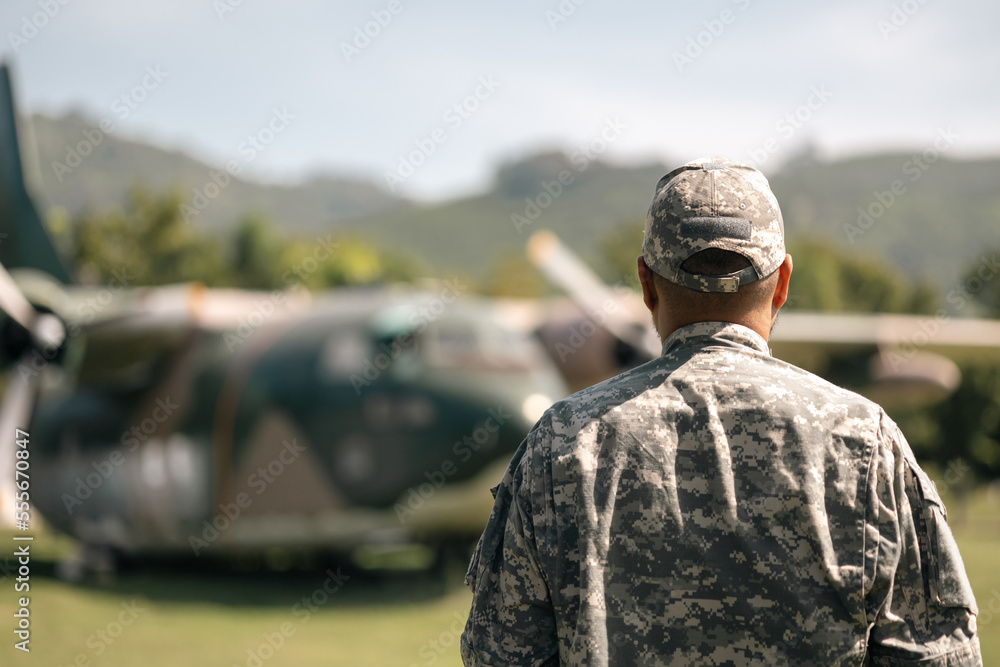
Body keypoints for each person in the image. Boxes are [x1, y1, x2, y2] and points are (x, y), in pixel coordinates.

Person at [460, 157, 981, 666]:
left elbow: (499, 652)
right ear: (782, 283)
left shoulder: (559, 443)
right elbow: (939, 655)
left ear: (646, 283)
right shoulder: (865, 440)